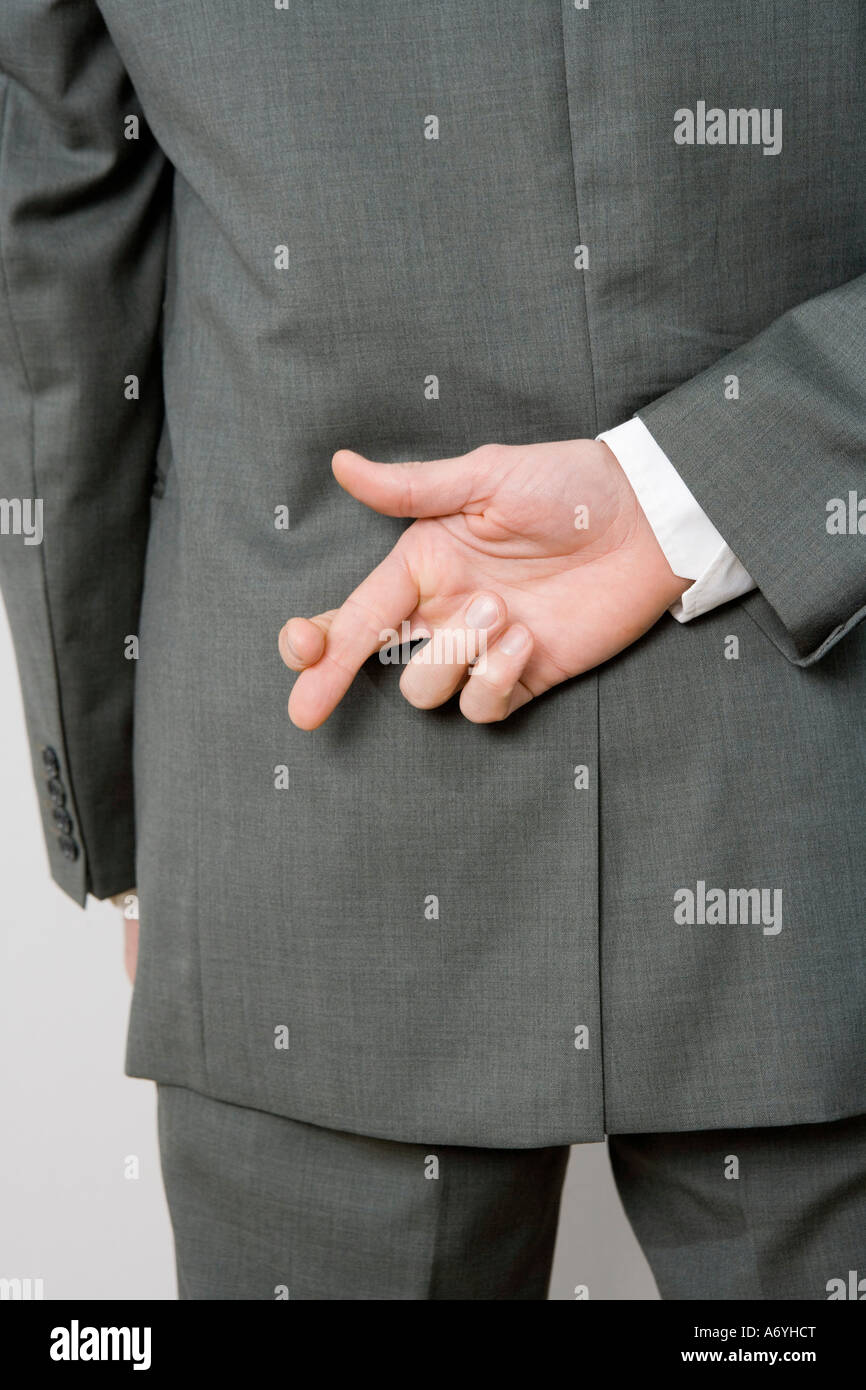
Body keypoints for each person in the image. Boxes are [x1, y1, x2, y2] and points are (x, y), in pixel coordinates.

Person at [1, 0, 864, 1301]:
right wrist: (713, 477)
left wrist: (127, 831)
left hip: (309, 794)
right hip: (820, 797)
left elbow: (53, 287)